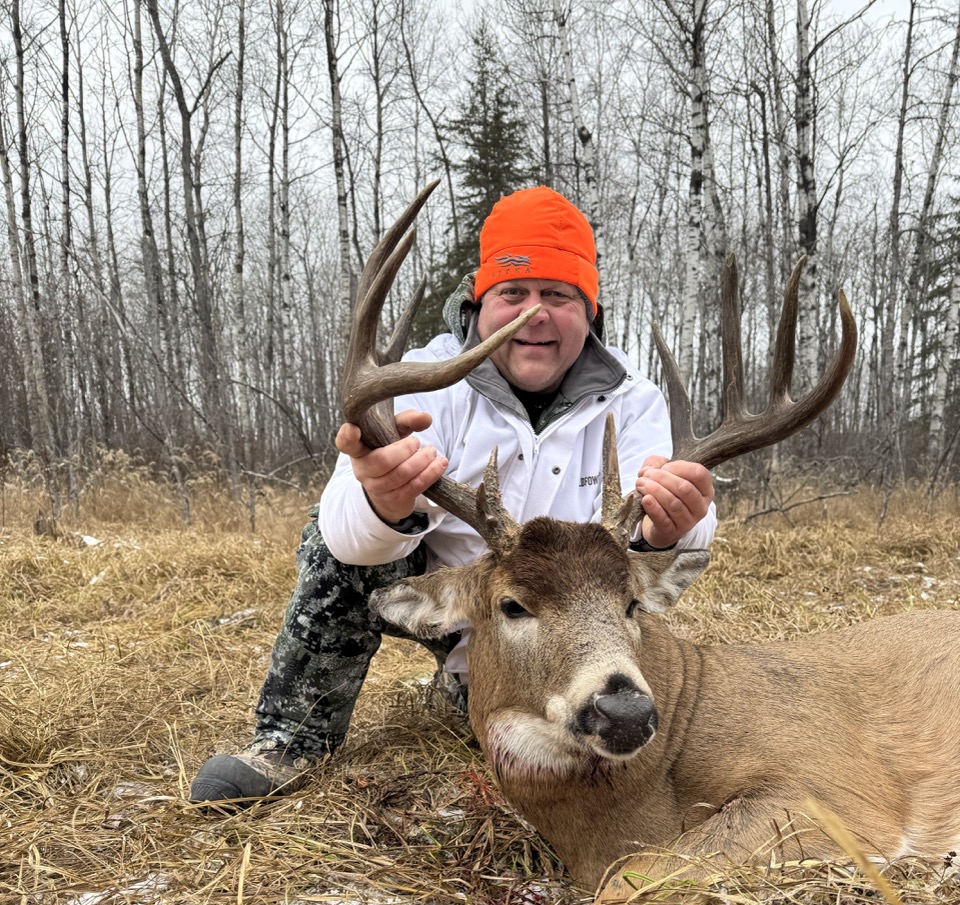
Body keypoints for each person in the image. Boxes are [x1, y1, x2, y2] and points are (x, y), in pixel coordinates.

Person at [190, 187, 717, 804]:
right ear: (478, 301)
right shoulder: (419, 384)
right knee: (340, 549)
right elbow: (340, 532)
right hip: (455, 595)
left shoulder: (632, 400)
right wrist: (382, 502)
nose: (535, 314)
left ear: (590, 311)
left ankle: (469, 693)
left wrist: (671, 526)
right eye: (513, 293)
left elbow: (674, 532)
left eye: (559, 295)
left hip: (566, 636)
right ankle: (293, 740)